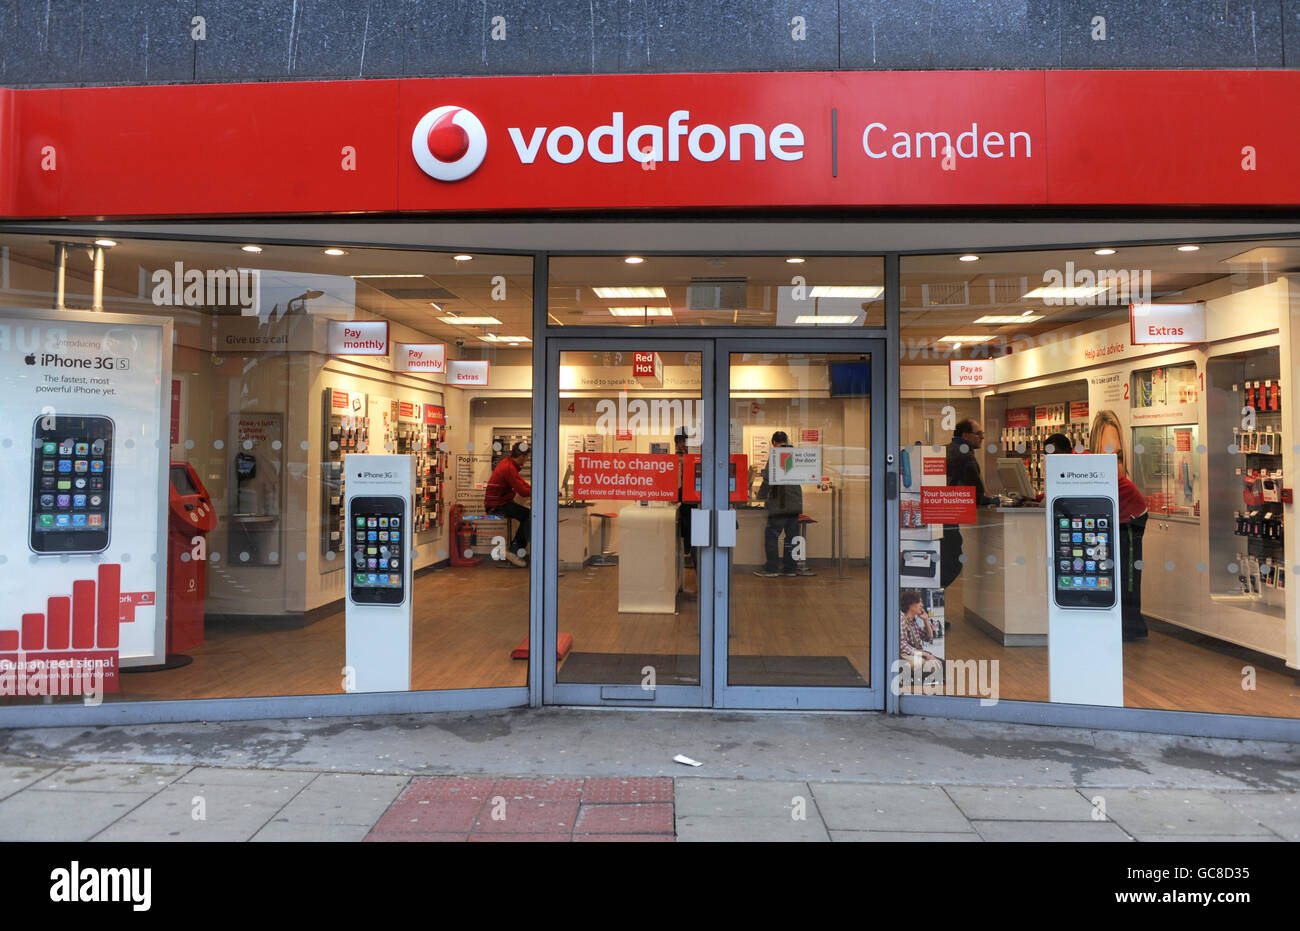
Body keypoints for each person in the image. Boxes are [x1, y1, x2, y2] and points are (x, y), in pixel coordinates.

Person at [1090, 410, 1149, 641]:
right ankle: (1123, 624)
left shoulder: (1107, 436)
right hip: (1121, 514)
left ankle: (1131, 626)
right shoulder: (1101, 451)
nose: (1113, 462)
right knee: (1118, 572)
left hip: (1131, 516)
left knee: (1128, 574)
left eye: (1118, 456)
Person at [939, 419, 996, 589]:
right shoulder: (965, 456)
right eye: (978, 434)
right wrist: (994, 500)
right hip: (949, 515)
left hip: (938, 512)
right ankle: (933, 603)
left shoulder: (946, 449)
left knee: (942, 560)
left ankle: (932, 607)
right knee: (953, 562)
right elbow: (976, 494)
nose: (982, 437)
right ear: (965, 435)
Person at [753, 431, 815, 578]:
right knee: (792, 536)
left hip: (780, 502)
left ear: (773, 442)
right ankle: (790, 569)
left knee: (772, 534)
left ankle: (772, 568)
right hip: (795, 502)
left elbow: (768, 479)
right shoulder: (796, 455)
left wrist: (760, 495)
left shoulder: (776, 455)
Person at [484, 441, 532, 568]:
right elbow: (522, 491)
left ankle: (514, 550)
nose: (527, 460)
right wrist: (539, 491)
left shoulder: (508, 464)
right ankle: (514, 552)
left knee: (528, 515)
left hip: (499, 502)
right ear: (522, 456)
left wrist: (536, 489)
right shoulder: (509, 468)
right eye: (527, 457)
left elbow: (522, 484)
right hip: (496, 505)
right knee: (530, 517)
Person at [675, 428, 699, 595]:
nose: (683, 447)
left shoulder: (696, 460)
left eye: (685, 444)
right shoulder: (675, 460)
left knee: (694, 543)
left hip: (693, 506)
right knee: (680, 542)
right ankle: (678, 583)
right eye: (680, 444)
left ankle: (700, 581)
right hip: (679, 505)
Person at [900, 589, 941, 666]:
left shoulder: (913, 622)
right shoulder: (901, 620)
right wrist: (925, 654)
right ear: (911, 604)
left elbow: (929, 638)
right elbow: (901, 644)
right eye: (919, 602)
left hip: (917, 655)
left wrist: (926, 620)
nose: (922, 605)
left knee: (941, 664)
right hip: (910, 657)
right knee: (937, 666)